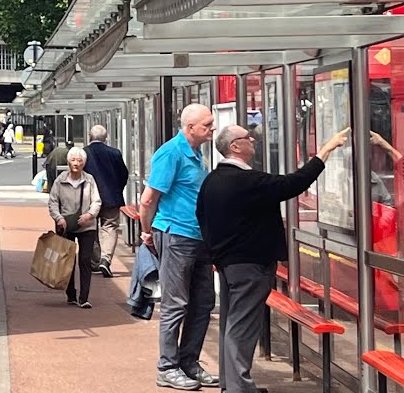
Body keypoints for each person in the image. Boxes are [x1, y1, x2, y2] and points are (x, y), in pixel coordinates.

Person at [197, 125, 343, 393]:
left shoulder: (211, 180)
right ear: (235, 147)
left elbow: (202, 218)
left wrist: (216, 254)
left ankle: (232, 384)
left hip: (229, 264)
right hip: (251, 266)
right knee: (242, 327)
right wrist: (325, 151)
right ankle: (240, 387)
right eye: (246, 138)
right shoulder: (248, 181)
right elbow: (294, 183)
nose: (253, 140)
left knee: (233, 323)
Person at [140, 103, 218, 391]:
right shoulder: (171, 153)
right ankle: (167, 366)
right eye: (207, 124)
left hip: (197, 237)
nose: (212, 129)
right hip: (175, 235)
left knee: (203, 302)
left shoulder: (196, 153)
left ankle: (188, 362)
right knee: (177, 303)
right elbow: (148, 199)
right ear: (190, 128)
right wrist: (147, 233)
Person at [48, 147, 102, 308]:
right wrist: (59, 218)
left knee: (85, 260)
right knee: (68, 261)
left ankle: (84, 297)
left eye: (79, 161)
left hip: (87, 226)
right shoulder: (60, 180)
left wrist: (90, 215)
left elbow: (97, 201)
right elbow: (52, 202)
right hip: (66, 226)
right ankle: (71, 293)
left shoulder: (90, 180)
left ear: (84, 163)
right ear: (68, 162)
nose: (76, 163)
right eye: (73, 160)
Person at [84, 124, 129, 278]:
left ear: (90, 136)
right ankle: (106, 259)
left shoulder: (84, 153)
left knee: (91, 229)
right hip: (111, 197)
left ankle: (95, 261)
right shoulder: (114, 153)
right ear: (105, 138)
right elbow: (124, 174)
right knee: (110, 227)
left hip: (89, 199)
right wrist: (116, 189)